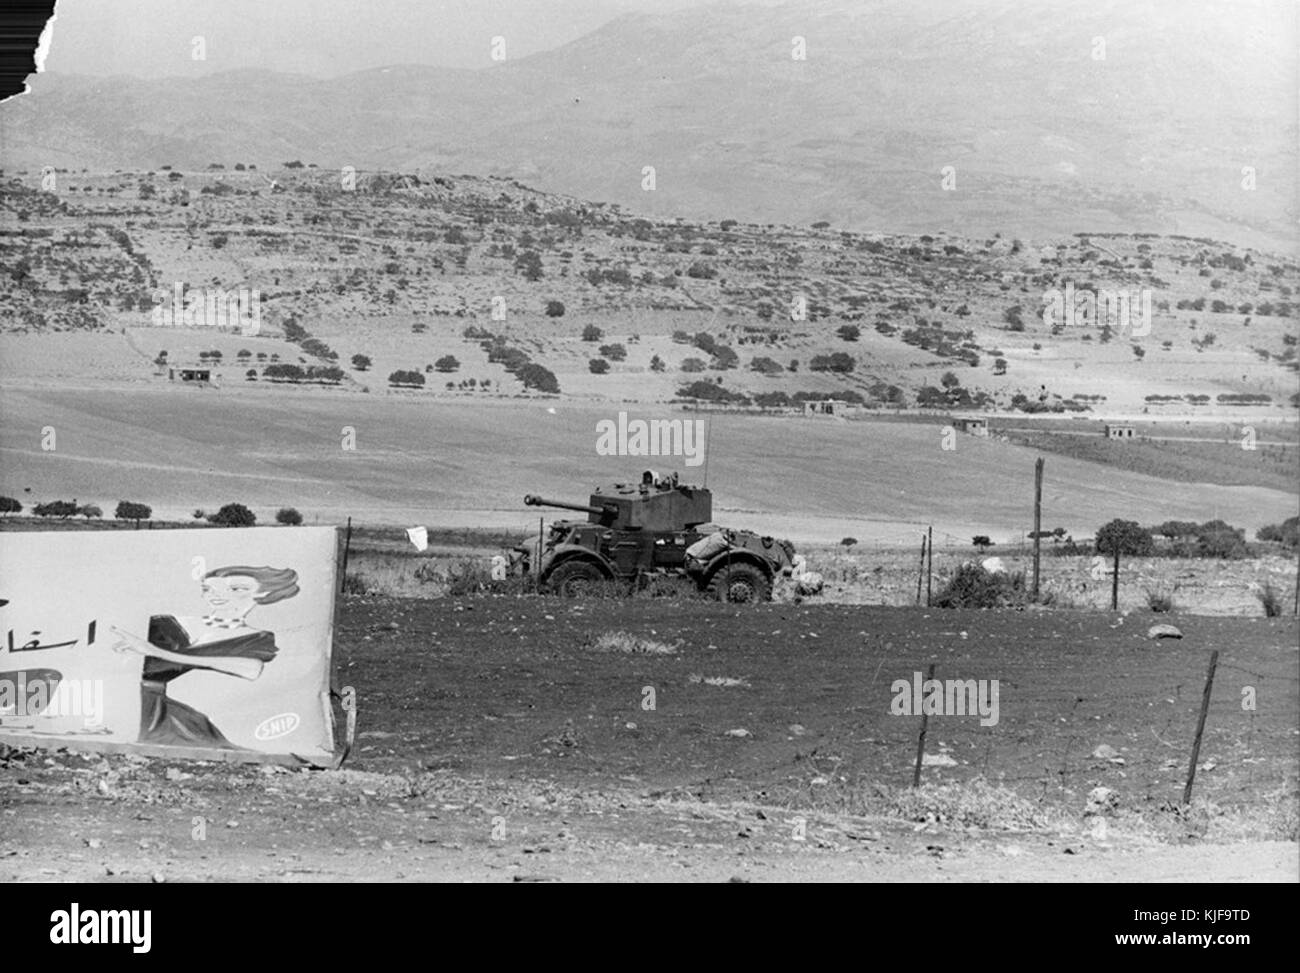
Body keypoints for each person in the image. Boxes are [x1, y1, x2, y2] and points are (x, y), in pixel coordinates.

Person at [111, 565, 298, 748]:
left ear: (263, 593)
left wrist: (155, 651)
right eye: (208, 589)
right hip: (130, 703)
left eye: (235, 589)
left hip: (168, 716)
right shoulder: (167, 621)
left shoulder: (256, 638)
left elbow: (250, 669)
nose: (217, 595)